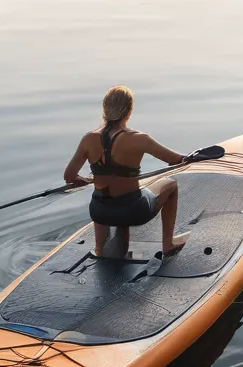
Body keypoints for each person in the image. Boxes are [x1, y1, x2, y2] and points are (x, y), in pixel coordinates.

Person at [63, 85, 188, 259]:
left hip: (99, 212)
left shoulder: (88, 139)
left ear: (104, 110)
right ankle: (168, 244)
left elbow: (69, 176)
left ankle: (100, 249)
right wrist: (194, 156)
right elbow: (176, 160)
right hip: (132, 212)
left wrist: (82, 179)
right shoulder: (139, 139)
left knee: (101, 197)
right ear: (129, 111)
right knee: (171, 185)